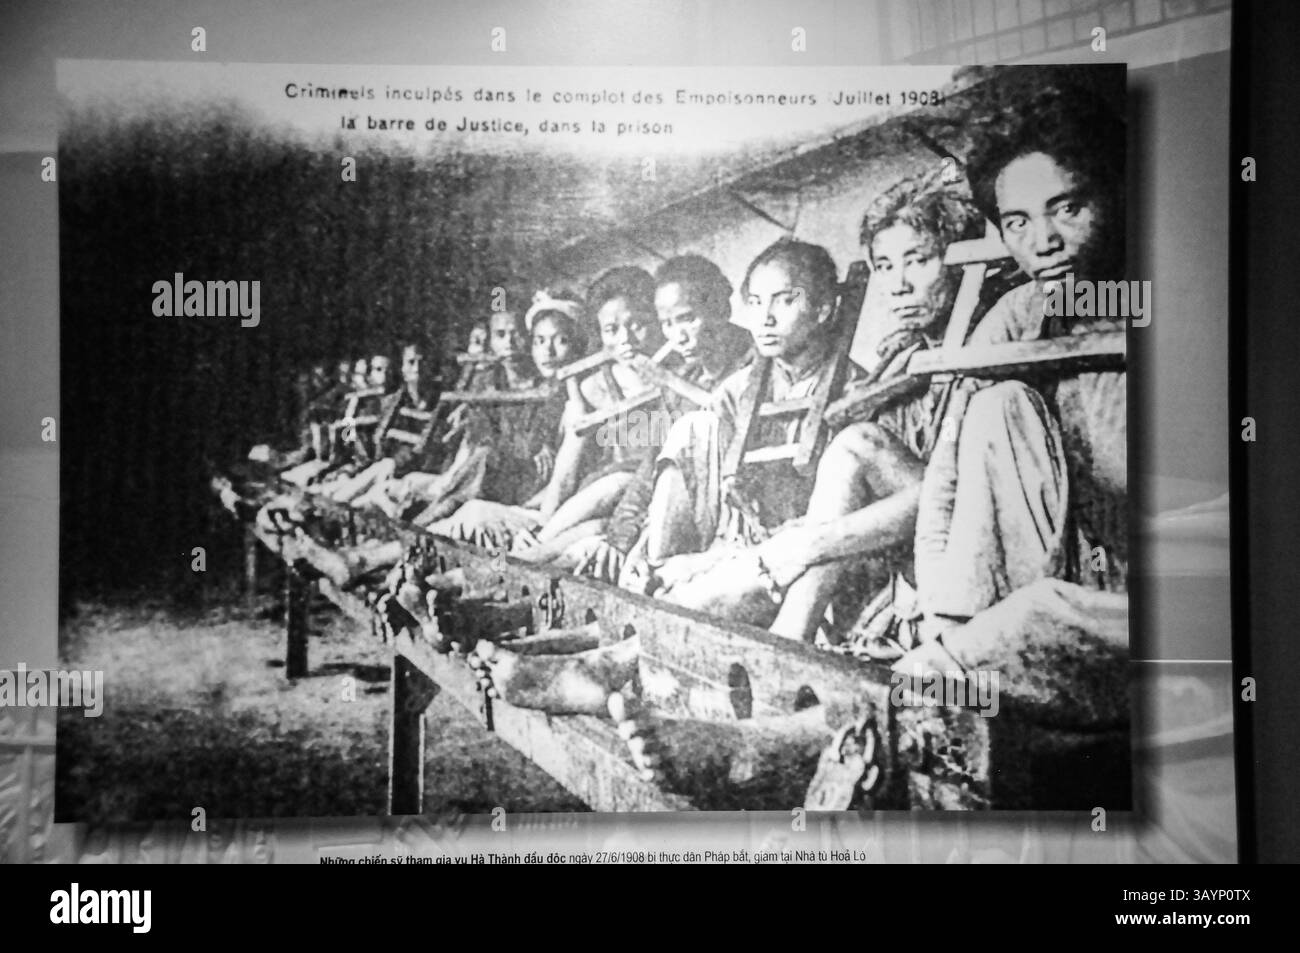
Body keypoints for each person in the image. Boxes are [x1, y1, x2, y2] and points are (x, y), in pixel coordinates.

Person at [659, 179, 986, 641]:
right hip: (884, 540)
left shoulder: (985, 347)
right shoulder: (898, 361)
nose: (899, 283)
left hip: (956, 547)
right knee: (687, 600)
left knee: (854, 446)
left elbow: (958, 492)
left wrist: (801, 545)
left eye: (918, 261)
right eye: (886, 266)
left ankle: (788, 634)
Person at [901, 84, 1128, 674]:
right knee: (997, 404)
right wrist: (938, 618)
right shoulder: (1018, 314)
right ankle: (961, 657)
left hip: (1139, 603)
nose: (1045, 242)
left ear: (1116, 196)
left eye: (1069, 208)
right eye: (1018, 222)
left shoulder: (1171, 295)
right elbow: (945, 483)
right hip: (1051, 584)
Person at [624, 239, 861, 597]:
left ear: (823, 309)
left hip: (797, 556)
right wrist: (641, 547)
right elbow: (688, 470)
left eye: (785, 300)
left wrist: (707, 564)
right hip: (733, 542)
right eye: (756, 302)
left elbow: (829, 522)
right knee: (693, 426)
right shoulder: (740, 390)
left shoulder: (852, 389)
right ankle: (655, 572)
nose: (765, 318)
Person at [527, 255, 752, 578]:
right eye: (668, 324)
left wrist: (668, 381)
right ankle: (517, 564)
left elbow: (725, 421)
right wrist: (619, 540)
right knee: (589, 540)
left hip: (721, 511)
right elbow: (651, 463)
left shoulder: (750, 360)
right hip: (658, 506)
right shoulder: (685, 370)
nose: (678, 335)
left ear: (720, 310)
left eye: (687, 318)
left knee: (605, 535)